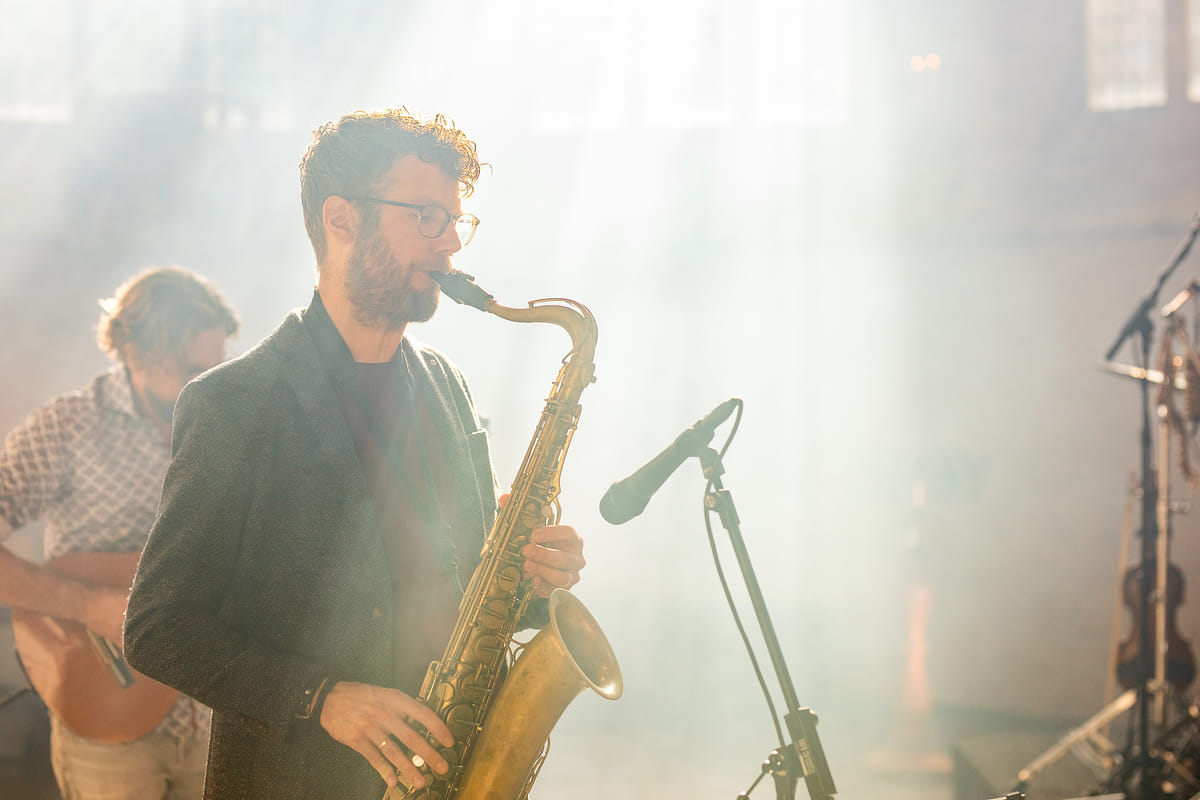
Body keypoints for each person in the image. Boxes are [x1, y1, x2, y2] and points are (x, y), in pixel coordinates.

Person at [123, 109, 588, 800]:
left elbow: (471, 592)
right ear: (342, 219)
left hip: (447, 771)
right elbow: (159, 629)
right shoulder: (235, 403)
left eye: (459, 221)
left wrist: (530, 579)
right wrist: (321, 696)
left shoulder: (447, 388)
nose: (452, 244)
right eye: (428, 216)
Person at [0, 266, 240, 799]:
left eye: (214, 370)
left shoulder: (223, 433)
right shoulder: (68, 427)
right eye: (189, 370)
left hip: (215, 719)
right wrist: (87, 606)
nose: (207, 388)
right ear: (133, 350)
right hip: (106, 724)